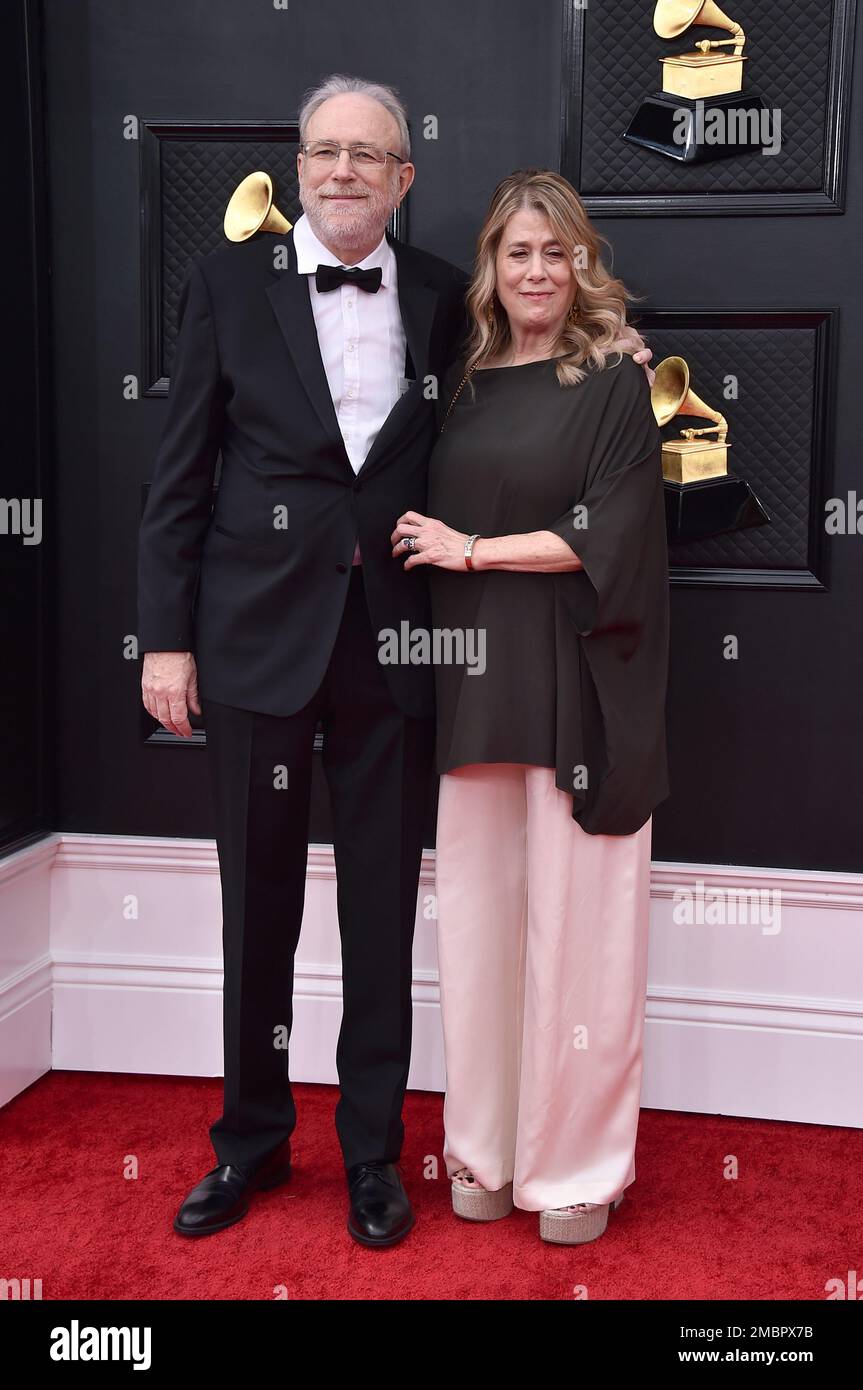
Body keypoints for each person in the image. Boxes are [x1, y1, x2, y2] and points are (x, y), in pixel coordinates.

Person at [138, 76, 655, 1248]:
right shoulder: (225, 285)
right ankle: (251, 1145)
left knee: (382, 910)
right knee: (252, 908)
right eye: (323, 152)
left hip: (400, 646)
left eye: (368, 156)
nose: (341, 173)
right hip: (253, 644)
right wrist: (163, 637)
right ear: (301, 162)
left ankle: (371, 1153)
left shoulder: (439, 301)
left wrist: (615, 337)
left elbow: (540, 350)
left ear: (402, 178)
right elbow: (177, 478)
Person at [390, 169, 670, 1245]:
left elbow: (611, 533)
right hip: (471, 690)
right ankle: (484, 1151)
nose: (537, 270)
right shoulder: (456, 378)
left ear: (581, 262)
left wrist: (469, 549)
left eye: (556, 251)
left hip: (579, 691)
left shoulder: (610, 378)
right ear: (490, 270)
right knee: (478, 935)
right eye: (517, 252)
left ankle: (579, 1171)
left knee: (580, 939)